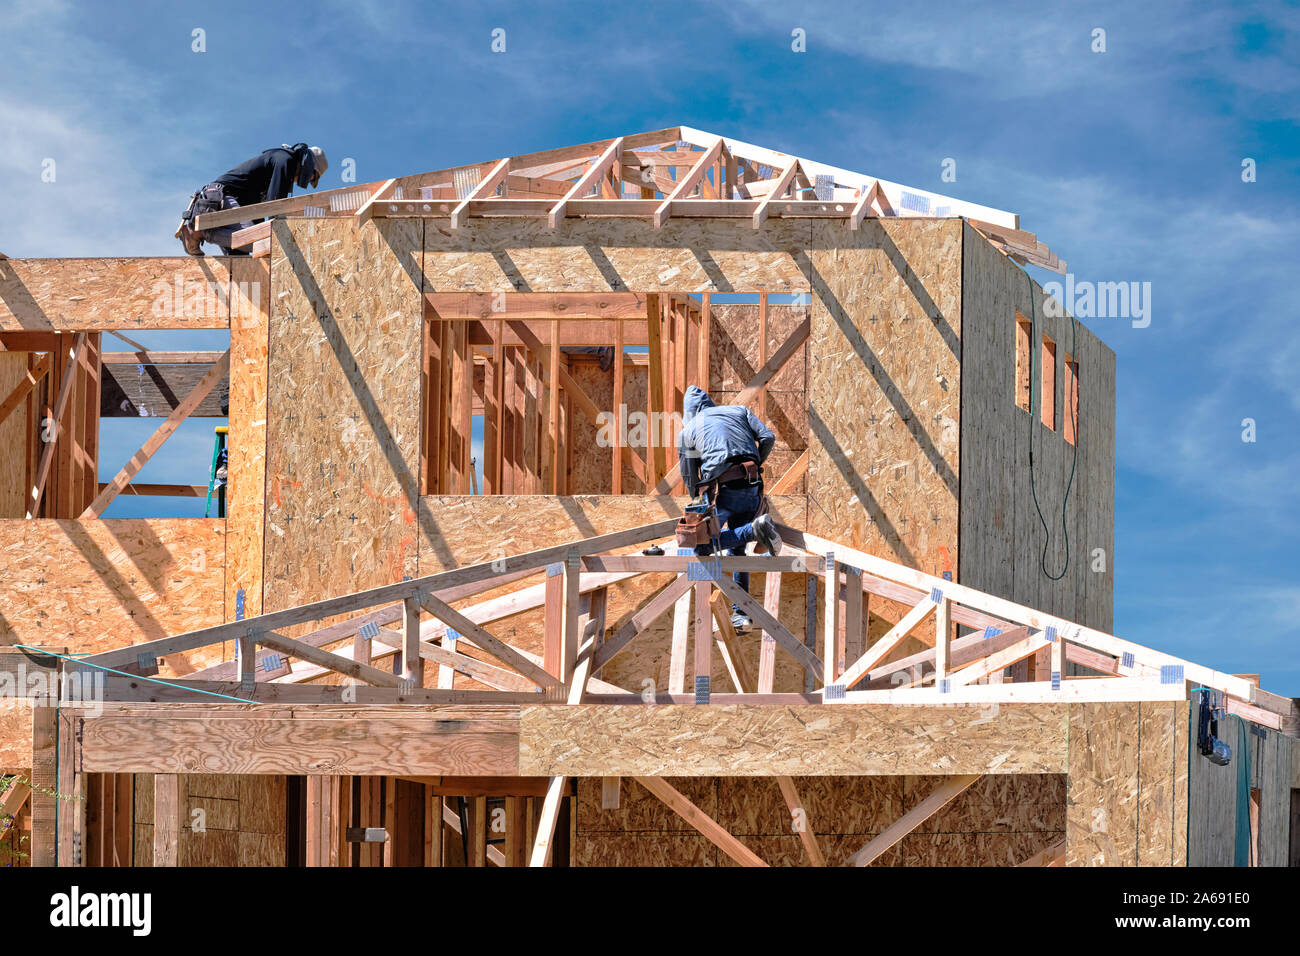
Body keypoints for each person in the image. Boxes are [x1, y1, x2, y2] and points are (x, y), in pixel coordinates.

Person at [677, 385, 782, 632]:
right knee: (736, 551)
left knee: (702, 545)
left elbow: (690, 476)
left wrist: (698, 505)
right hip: (752, 488)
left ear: (688, 412)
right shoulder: (739, 412)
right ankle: (742, 614)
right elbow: (768, 437)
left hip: (723, 491)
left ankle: (754, 530)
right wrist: (753, 465)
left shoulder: (690, 429)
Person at [175, 143, 328, 256]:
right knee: (258, 241)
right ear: (308, 166)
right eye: (311, 177)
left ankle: (204, 232)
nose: (300, 181)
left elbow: (260, 216)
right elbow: (275, 207)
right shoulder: (285, 160)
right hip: (220, 198)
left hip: (231, 206)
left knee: (244, 261)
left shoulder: (274, 172)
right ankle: (197, 232)